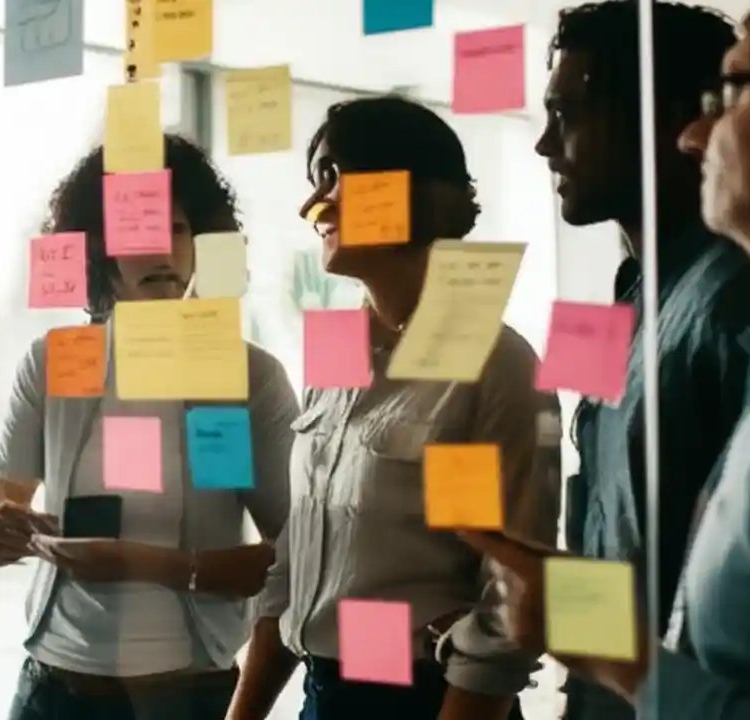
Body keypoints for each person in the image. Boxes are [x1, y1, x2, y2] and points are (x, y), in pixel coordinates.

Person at [462, 0, 750, 716]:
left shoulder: (739, 300)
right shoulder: (627, 294)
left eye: (569, 113)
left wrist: (613, 655)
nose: (545, 145)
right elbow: (627, 529)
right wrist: (563, 605)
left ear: (663, 116)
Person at [225, 96, 560, 720]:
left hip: (430, 701)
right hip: (324, 695)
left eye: (332, 177)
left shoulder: (495, 364)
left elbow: (510, 597)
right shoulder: (337, 355)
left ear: (403, 189)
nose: (312, 206)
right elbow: (292, 568)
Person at [0, 134, 298, 720]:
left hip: (187, 691)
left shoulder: (246, 375)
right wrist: (4, 523)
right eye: (135, 231)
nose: (159, 251)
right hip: (54, 684)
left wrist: (151, 565)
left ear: (201, 242)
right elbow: (1, 492)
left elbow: (295, 554)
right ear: (99, 251)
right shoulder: (56, 360)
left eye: (174, 229)